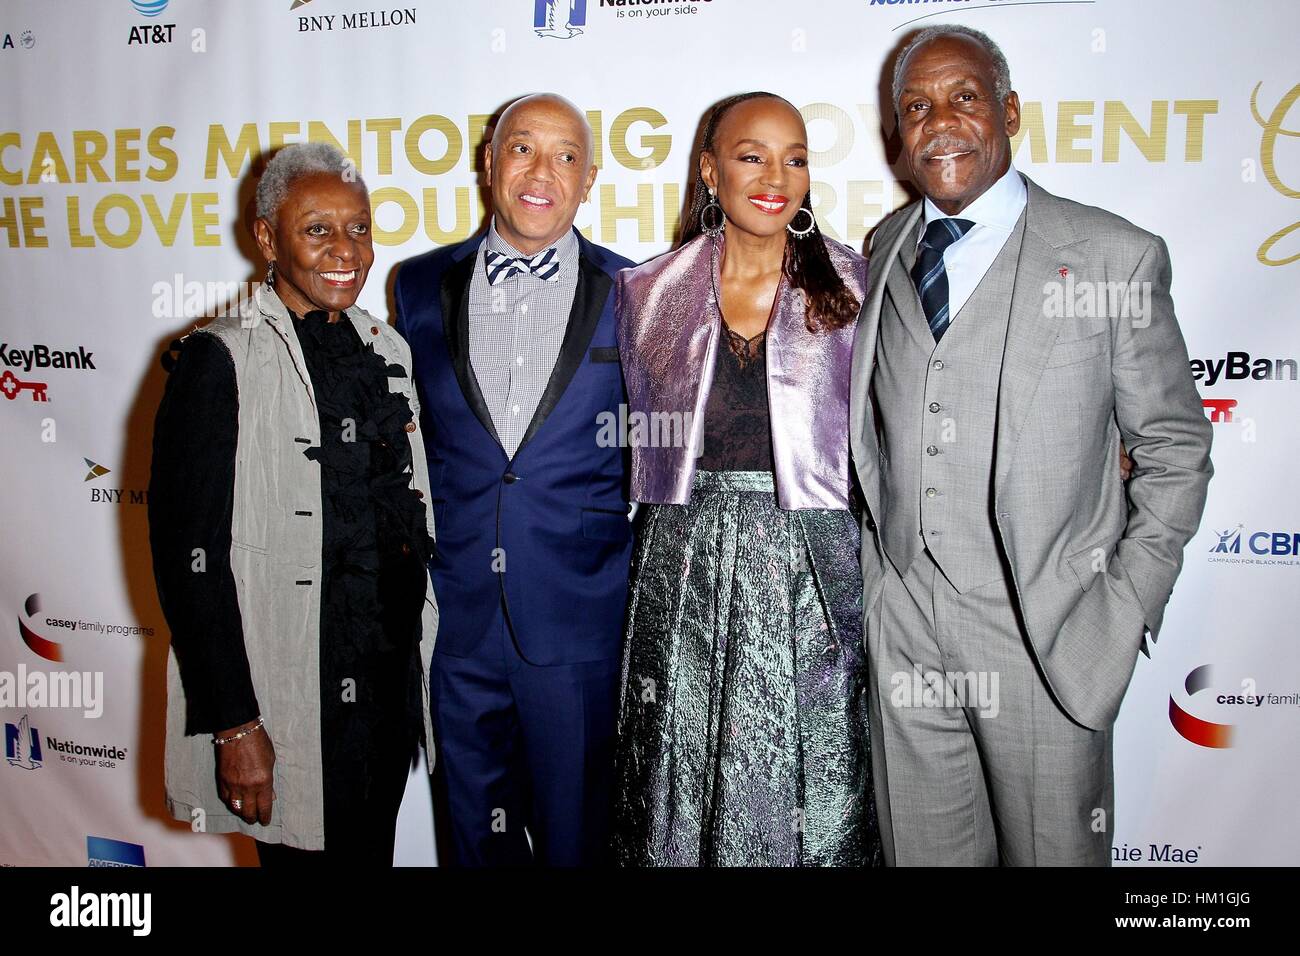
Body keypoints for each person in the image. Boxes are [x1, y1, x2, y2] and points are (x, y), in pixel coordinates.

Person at [850, 25, 1213, 866]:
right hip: (905, 619)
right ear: (899, 137)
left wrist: (1118, 610)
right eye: (917, 106)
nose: (940, 120)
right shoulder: (886, 247)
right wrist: (880, 590)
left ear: (1009, 111)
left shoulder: (1113, 257)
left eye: (964, 97)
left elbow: (1174, 449)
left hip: (1046, 629)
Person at [149, 142, 438, 865]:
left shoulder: (387, 350)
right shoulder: (219, 360)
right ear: (268, 237)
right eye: (317, 230)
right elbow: (190, 563)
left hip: (384, 685)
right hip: (288, 695)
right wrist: (235, 724)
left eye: (361, 228)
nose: (346, 250)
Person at [613, 92, 882, 866]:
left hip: (815, 566)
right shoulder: (645, 292)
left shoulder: (859, 287)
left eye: (795, 157)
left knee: (813, 782)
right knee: (677, 775)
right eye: (751, 154)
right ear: (709, 169)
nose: (776, 175)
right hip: (681, 566)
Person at [394, 93, 634, 866]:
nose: (543, 172)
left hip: (578, 626)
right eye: (523, 149)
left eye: (566, 155)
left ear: (589, 179)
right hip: (457, 630)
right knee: (474, 846)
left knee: (578, 845)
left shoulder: (637, 291)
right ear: (490, 164)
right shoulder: (417, 284)